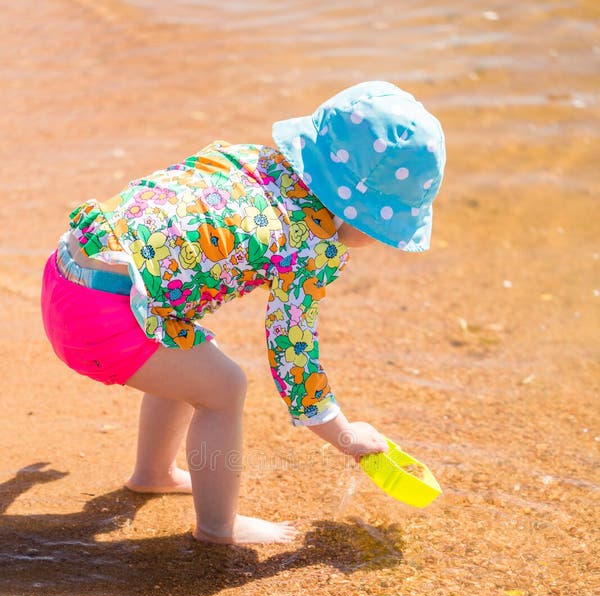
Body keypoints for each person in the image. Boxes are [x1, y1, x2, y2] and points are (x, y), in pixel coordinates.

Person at [40, 81, 446, 545]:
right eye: (385, 224)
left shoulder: (251, 161)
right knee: (224, 388)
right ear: (361, 210)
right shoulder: (311, 240)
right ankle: (218, 527)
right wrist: (343, 434)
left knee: (188, 348)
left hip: (67, 272)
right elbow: (292, 348)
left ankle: (153, 472)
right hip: (102, 316)